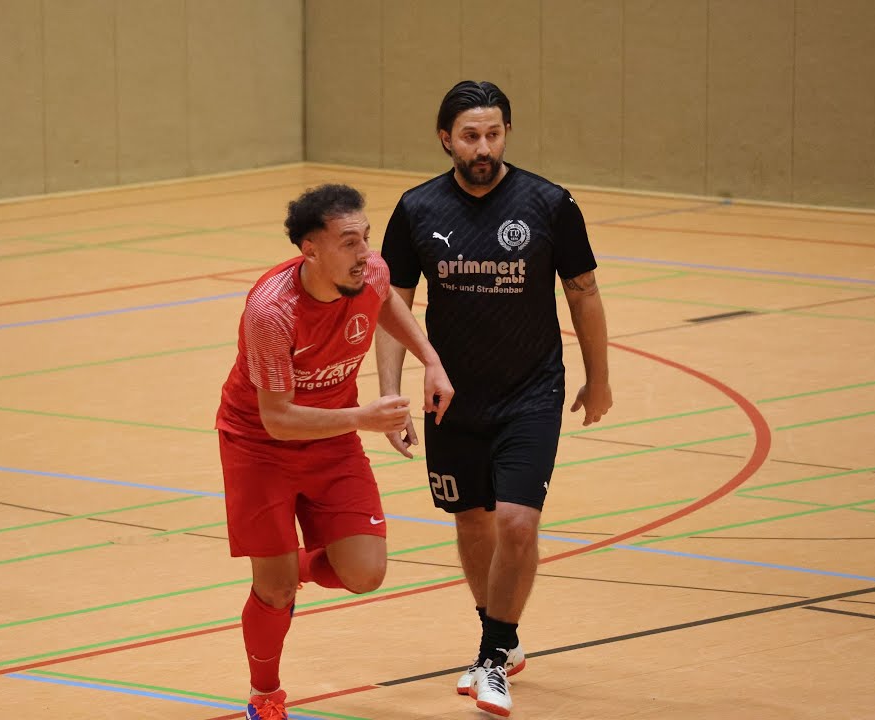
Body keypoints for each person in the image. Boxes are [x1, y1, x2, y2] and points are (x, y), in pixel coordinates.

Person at [374, 80, 613, 718]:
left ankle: (492, 650)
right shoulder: (416, 209)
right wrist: (391, 393)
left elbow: (583, 292)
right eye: (471, 135)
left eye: (495, 133)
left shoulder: (548, 203)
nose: (485, 147)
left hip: (532, 390)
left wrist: (600, 376)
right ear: (445, 138)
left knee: (516, 522)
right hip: (450, 395)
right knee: (472, 520)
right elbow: (392, 303)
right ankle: (498, 637)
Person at [215, 183, 455, 720]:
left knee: (366, 573)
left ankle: (287, 566)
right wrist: (364, 419)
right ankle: (266, 695)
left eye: (366, 238)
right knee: (275, 594)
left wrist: (430, 360)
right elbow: (277, 419)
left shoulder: (369, 273)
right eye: (349, 242)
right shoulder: (272, 311)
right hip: (259, 446)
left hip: (333, 440)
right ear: (311, 250)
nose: (364, 253)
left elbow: (386, 298)